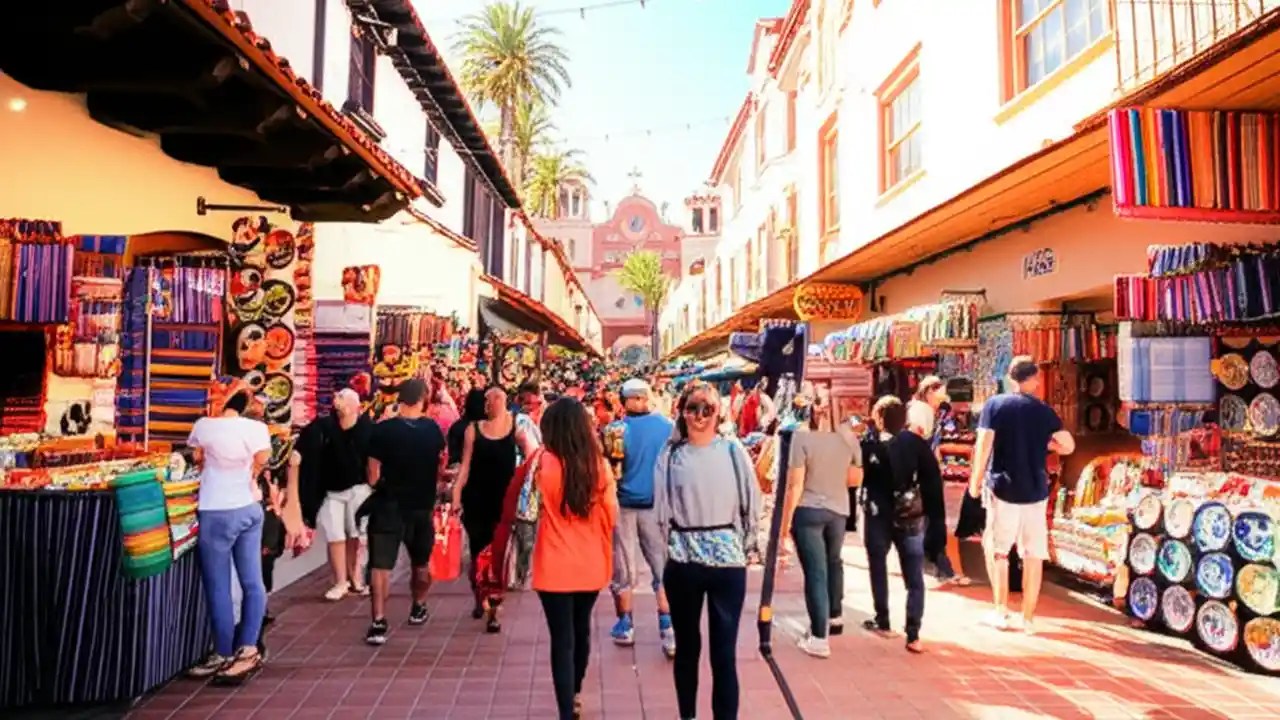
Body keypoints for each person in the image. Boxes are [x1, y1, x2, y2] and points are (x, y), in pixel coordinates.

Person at [655, 381, 761, 720]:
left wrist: (748, 545)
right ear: (682, 412)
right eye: (693, 408)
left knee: (723, 654)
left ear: (719, 413)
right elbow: (661, 510)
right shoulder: (670, 455)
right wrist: (664, 556)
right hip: (683, 560)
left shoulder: (733, 451)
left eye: (708, 409)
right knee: (687, 649)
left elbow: (752, 501)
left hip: (727, 562)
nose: (700, 416)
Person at [513, 398, 617, 720]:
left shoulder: (541, 463)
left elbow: (525, 509)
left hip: (553, 564)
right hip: (590, 562)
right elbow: (611, 516)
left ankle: (565, 710)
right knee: (581, 629)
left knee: (562, 639)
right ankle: (575, 691)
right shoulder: (598, 466)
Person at [969, 357, 1075, 634]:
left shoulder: (995, 405)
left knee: (999, 551)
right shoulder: (1044, 411)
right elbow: (1068, 446)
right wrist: (1047, 445)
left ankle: (1001, 611)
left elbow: (984, 445)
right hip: (1036, 490)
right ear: (1034, 379)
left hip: (1003, 487)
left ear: (1010, 377)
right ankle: (1028, 618)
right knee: (1033, 554)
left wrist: (975, 481)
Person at [186, 391, 271, 683]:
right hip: (248, 506)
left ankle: (223, 651)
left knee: (218, 586)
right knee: (253, 582)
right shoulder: (257, 428)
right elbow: (263, 457)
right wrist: (251, 471)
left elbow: (197, 456)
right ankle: (248, 648)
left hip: (216, 509)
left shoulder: (204, 426)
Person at [363, 379, 447, 645]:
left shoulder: (383, 430)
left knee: (380, 565)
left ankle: (378, 620)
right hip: (421, 504)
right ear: (423, 399)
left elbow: (372, 474)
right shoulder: (432, 430)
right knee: (421, 561)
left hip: (388, 504)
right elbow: (440, 467)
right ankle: (418, 605)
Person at [779, 398, 862, 658]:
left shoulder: (802, 437)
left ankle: (818, 637)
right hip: (838, 510)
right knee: (833, 562)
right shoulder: (849, 438)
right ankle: (834, 616)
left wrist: (784, 527)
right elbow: (855, 479)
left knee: (816, 572)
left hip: (809, 509)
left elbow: (795, 485)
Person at [452, 385, 532, 631]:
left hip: (503, 500)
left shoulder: (515, 428)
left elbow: (532, 457)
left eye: (498, 399)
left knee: (497, 554)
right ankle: (480, 594)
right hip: (476, 499)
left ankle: (494, 608)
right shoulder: (473, 430)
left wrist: (525, 486)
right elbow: (465, 466)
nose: (493, 404)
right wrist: (456, 495)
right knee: (478, 551)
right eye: (489, 400)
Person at [608, 378, 677, 658]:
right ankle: (668, 626)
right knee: (662, 565)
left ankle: (625, 624)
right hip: (656, 505)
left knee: (624, 566)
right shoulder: (668, 427)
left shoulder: (616, 429)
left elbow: (609, 469)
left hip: (623, 504)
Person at [860, 396, 932, 653]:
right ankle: (913, 632)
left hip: (878, 513)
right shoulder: (917, 445)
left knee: (878, 565)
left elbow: (861, 475)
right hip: (909, 514)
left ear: (879, 418)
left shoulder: (870, 445)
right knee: (914, 576)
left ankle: (883, 618)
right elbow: (930, 479)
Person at [299, 388, 374, 601]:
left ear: (355, 406)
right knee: (335, 536)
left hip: (358, 489)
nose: (338, 402)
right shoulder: (324, 426)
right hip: (331, 491)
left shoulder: (367, 428)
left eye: (343, 399)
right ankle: (340, 581)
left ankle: (355, 576)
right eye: (338, 398)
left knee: (355, 536)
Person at [908, 376, 970, 586]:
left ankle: (942, 568)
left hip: (933, 473)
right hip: (932, 474)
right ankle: (949, 569)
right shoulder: (924, 412)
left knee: (934, 522)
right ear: (929, 391)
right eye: (940, 392)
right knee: (941, 522)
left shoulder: (935, 413)